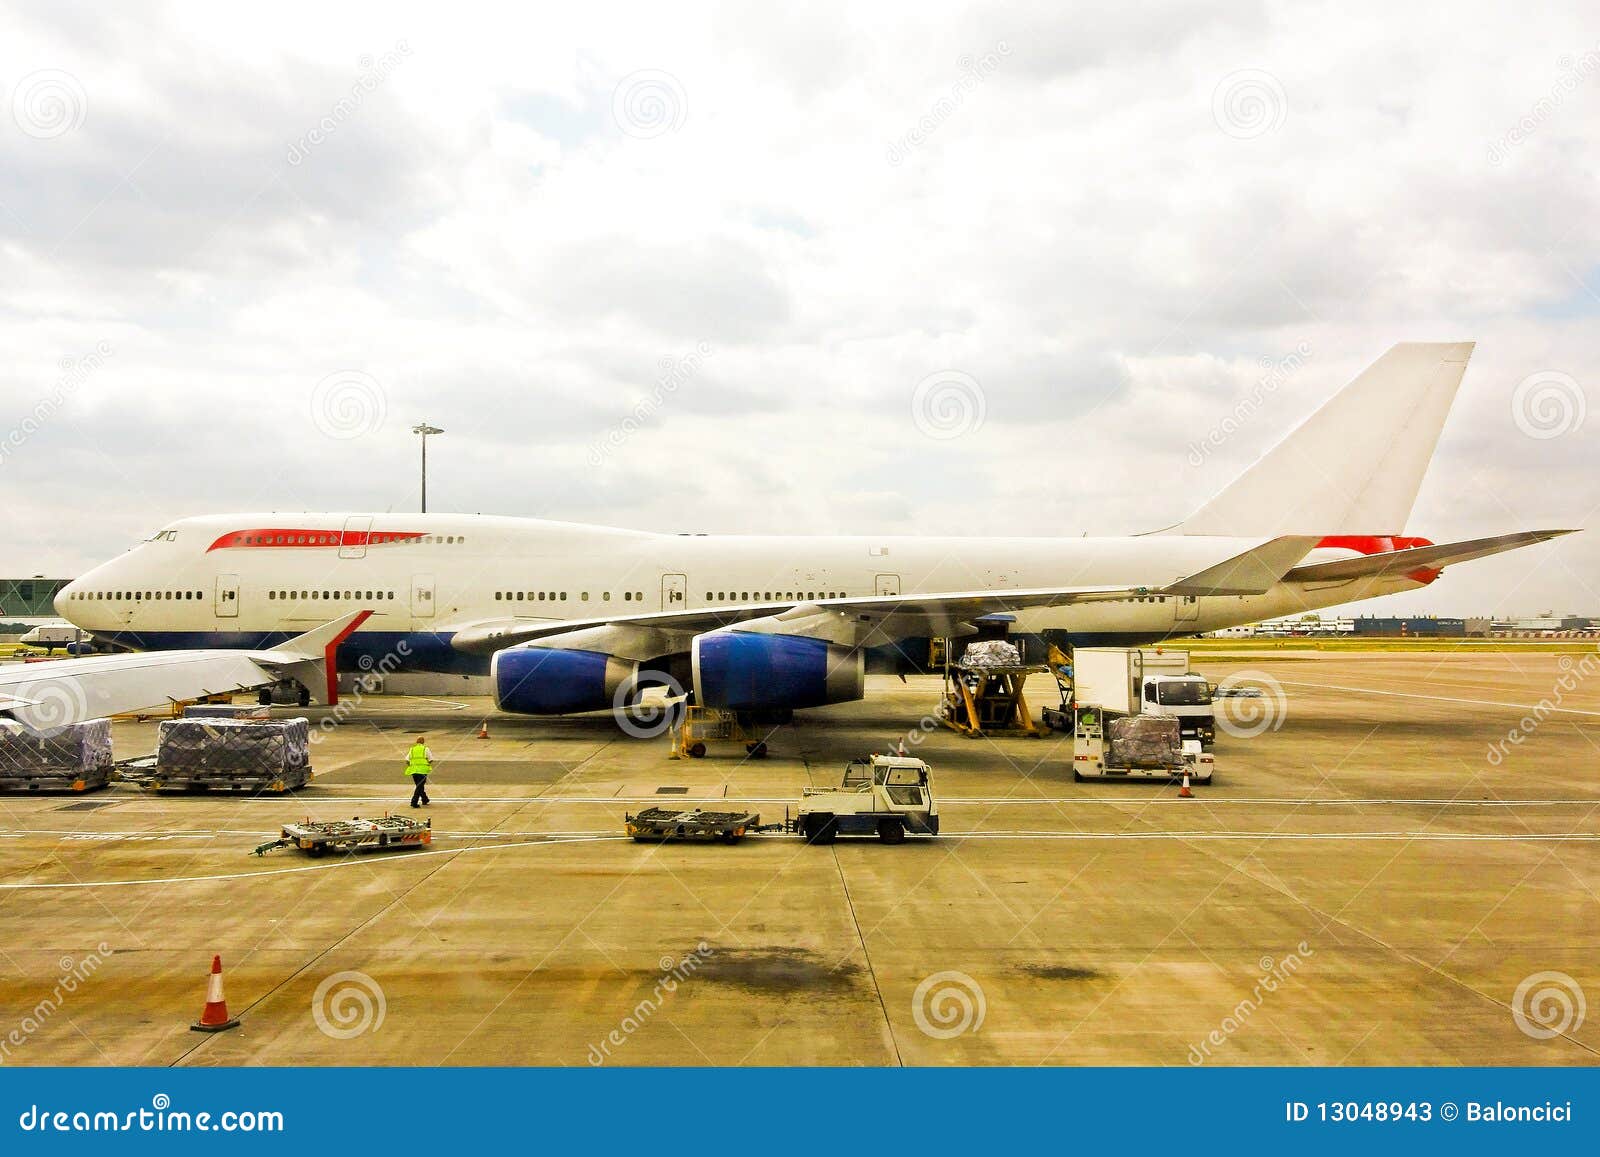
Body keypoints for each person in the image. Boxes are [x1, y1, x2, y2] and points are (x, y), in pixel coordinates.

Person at [405, 736, 434, 807]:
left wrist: (411, 766)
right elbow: (431, 759)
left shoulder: (412, 749)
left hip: (413, 771)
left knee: (419, 786)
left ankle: (425, 799)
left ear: (416, 742)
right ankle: (414, 802)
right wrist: (426, 765)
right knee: (419, 786)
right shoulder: (425, 749)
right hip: (422, 771)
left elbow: (407, 760)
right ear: (423, 742)